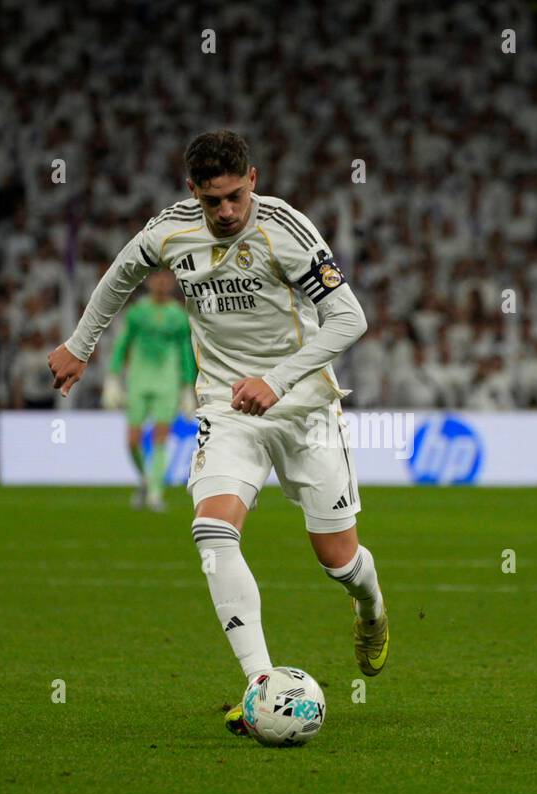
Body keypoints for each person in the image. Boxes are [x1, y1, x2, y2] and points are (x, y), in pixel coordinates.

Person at [47, 130, 390, 736]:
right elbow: (121, 272)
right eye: (213, 202)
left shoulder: (286, 231)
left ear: (252, 180)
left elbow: (349, 317)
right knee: (212, 528)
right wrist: (81, 344)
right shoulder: (172, 230)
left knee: (338, 563)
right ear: (193, 193)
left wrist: (278, 380)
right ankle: (260, 685)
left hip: (304, 407)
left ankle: (371, 610)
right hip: (227, 409)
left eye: (234, 196)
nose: (226, 212)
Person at [107, 271, 194, 511]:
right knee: (132, 441)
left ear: (173, 282)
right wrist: (113, 376)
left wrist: (188, 386)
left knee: (160, 437)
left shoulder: (178, 315)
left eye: (167, 279)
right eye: (158, 278)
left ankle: (155, 492)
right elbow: (123, 343)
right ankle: (146, 479)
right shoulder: (137, 312)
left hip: (168, 383)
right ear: (149, 281)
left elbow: (186, 350)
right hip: (138, 381)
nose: (162, 283)